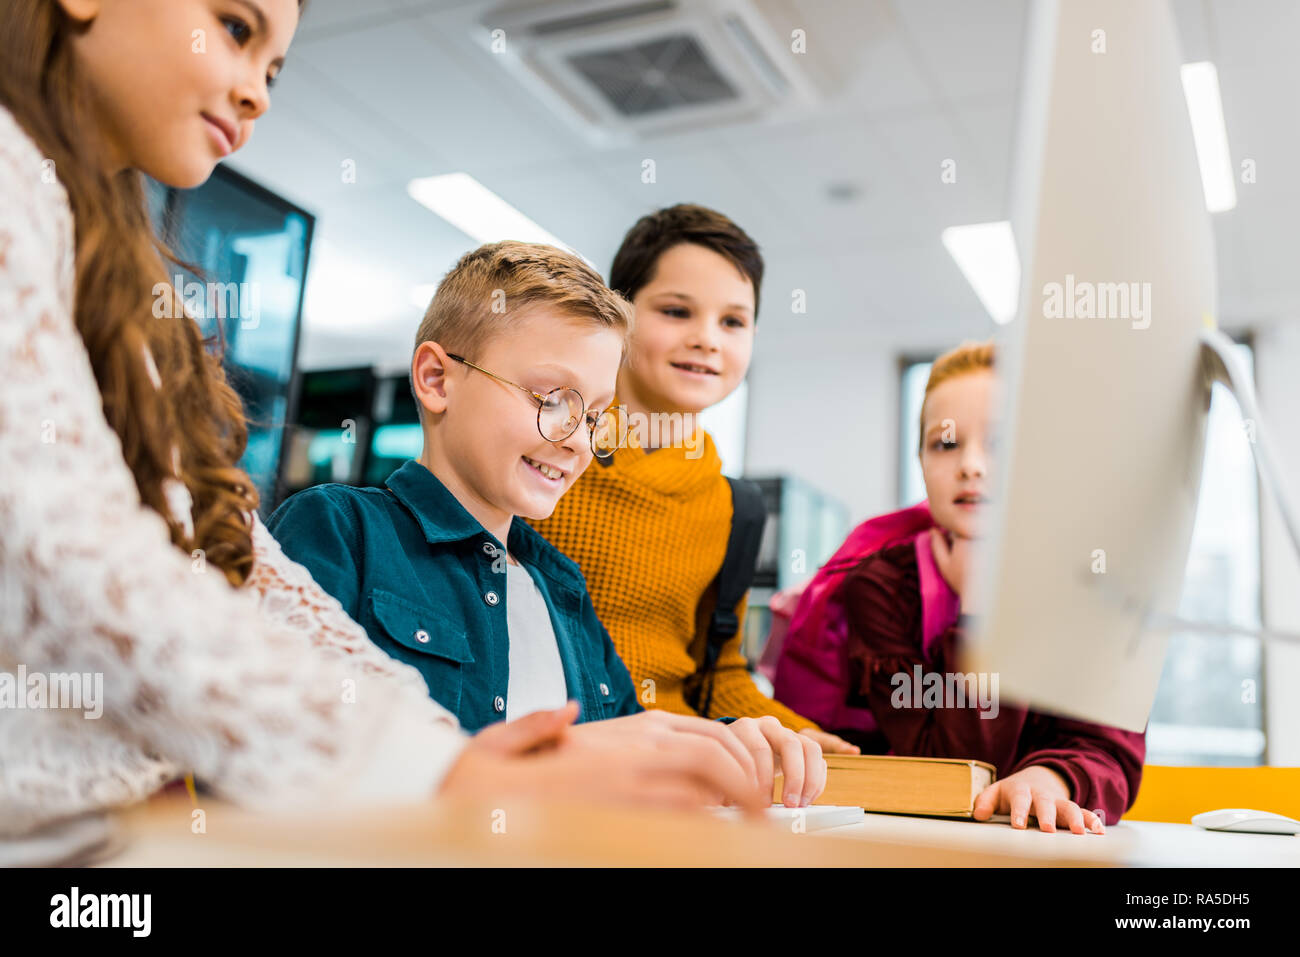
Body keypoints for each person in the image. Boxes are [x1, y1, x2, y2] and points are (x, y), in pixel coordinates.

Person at [0, 0, 767, 835]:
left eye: (276, 69)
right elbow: (71, 561)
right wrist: (443, 770)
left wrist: (458, 759)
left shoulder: (92, 255)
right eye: (234, 28)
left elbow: (256, 586)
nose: (257, 92)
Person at [268, 241, 827, 807]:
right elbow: (275, 749)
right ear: (437, 379)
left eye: (593, 415)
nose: (576, 440)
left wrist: (726, 739)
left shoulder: (559, 584)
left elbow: (630, 739)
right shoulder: (338, 531)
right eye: (551, 397)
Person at [528, 204, 860, 776]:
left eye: (733, 322)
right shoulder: (539, 452)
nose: (707, 339)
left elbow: (716, 675)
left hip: (670, 773)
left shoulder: (735, 508)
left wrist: (799, 734)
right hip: (541, 763)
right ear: (619, 317)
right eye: (677, 311)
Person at [833, 341, 1144, 831]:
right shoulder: (879, 586)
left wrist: (1049, 780)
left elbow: (1111, 749)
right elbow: (949, 767)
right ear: (920, 461)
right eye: (946, 443)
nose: (972, 465)